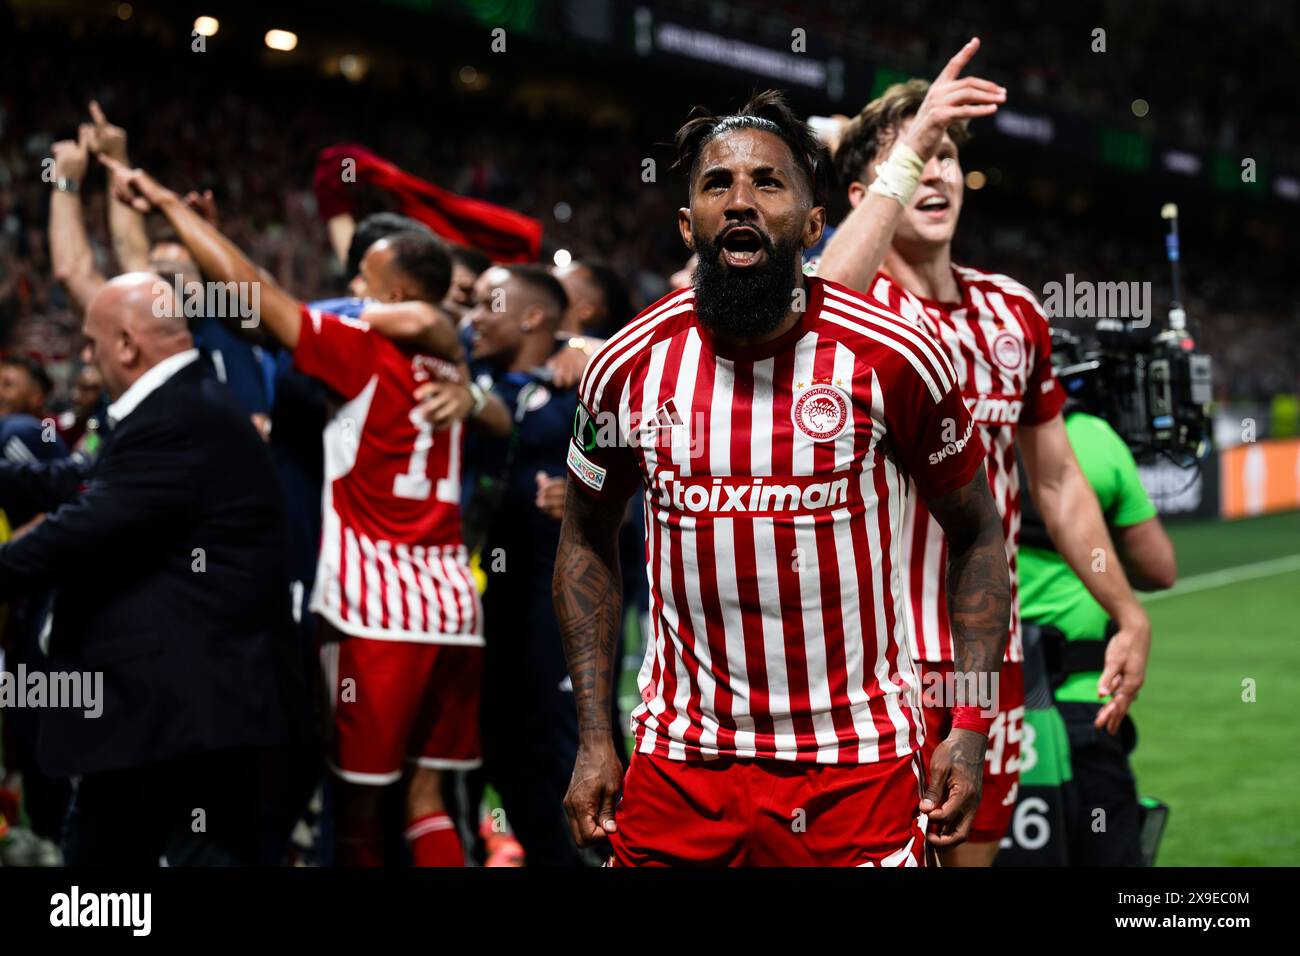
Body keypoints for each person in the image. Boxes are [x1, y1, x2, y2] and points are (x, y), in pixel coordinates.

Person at [554, 90, 1011, 867]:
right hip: (679, 768)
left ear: (811, 224)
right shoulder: (626, 367)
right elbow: (585, 539)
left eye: (769, 183)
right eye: (716, 185)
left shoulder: (894, 356)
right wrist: (596, 738)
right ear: (686, 223)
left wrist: (968, 727)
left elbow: (977, 536)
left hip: (855, 769)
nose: (740, 201)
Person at [104, 155, 506, 867]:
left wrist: (172, 204)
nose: (352, 291)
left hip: (373, 608)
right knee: (425, 802)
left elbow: (256, 294)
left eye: (365, 282)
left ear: (401, 292)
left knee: (353, 814)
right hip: (453, 605)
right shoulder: (455, 365)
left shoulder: (366, 350)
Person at [813, 39, 1154, 866]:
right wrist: (899, 147)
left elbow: (1060, 480)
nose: (934, 173)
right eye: (914, 157)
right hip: (872, 657)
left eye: (947, 156)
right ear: (868, 194)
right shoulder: (850, 311)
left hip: (982, 657)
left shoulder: (1012, 310)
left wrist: (1127, 608)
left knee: (974, 853)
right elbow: (819, 297)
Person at [0, 273, 311, 865]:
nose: (86, 361)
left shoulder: (179, 415)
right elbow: (81, 481)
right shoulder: (185, 404)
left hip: (185, 718)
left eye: (90, 345)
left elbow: (83, 526)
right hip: (165, 713)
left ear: (125, 345)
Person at [1017, 354, 1176, 865]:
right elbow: (1159, 569)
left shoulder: (959, 427)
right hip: (1087, 695)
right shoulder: (1095, 438)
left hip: (975, 703)